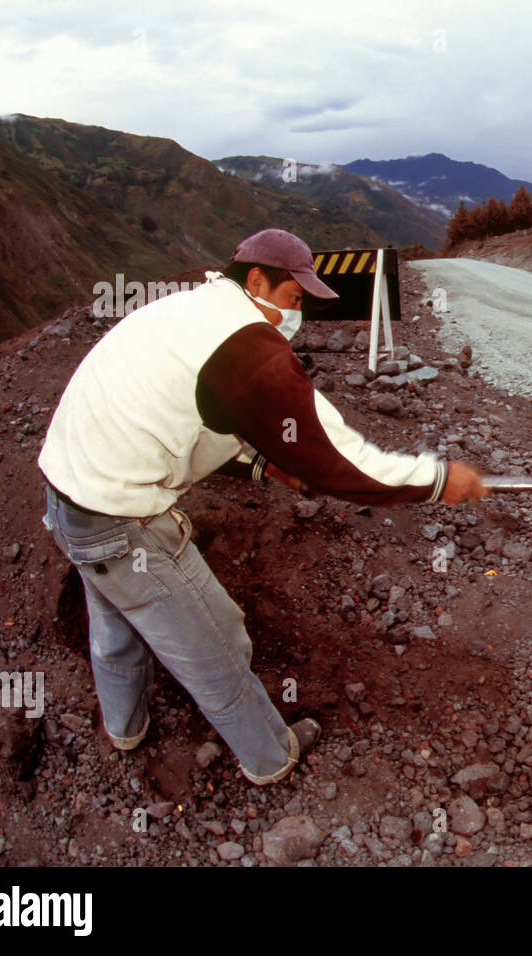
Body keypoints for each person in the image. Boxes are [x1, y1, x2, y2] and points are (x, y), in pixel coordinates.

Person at [38, 228, 488, 784]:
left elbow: (191, 415)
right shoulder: (245, 346)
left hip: (68, 494)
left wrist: (266, 465)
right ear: (256, 280)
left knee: (114, 624)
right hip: (120, 519)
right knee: (217, 644)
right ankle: (272, 759)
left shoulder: (186, 312)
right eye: (293, 298)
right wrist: (436, 480)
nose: (296, 314)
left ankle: (124, 729)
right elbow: (338, 461)